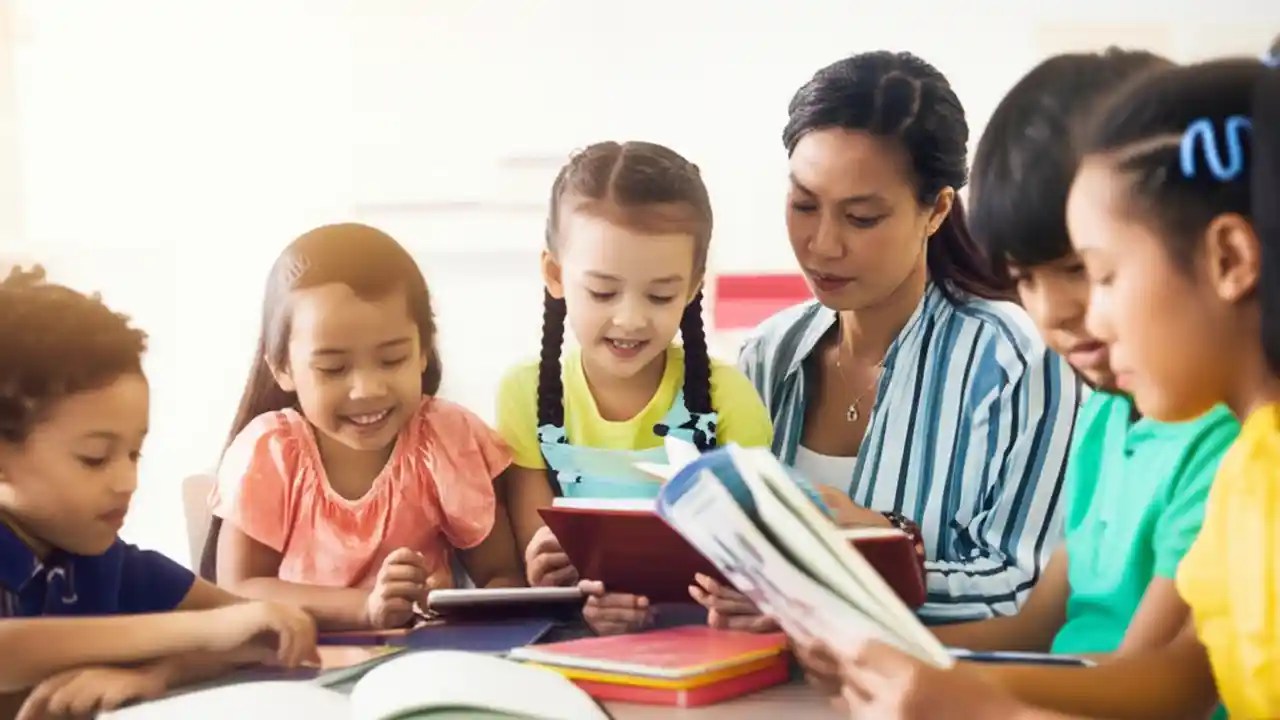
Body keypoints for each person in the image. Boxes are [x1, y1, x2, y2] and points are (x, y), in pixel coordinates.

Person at [831, 56, 1277, 720]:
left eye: (1100, 274)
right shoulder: (1250, 466)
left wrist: (979, 704)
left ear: (1229, 260)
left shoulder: (1233, 460)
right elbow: (1186, 675)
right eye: (1026, 279)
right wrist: (911, 667)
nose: (1079, 316)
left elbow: (1161, 689)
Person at [721, 50, 1082, 624]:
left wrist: (830, 589)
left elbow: (1024, 590)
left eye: (861, 218)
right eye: (803, 205)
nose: (823, 245)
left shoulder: (1017, 362)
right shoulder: (767, 355)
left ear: (937, 210)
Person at [496, 141, 796, 634]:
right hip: (581, 637)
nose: (631, 319)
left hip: (705, 636)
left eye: (660, 295)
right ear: (555, 274)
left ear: (694, 286)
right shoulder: (523, 393)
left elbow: (758, 554)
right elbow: (540, 553)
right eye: (602, 292)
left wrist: (750, 594)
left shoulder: (730, 399)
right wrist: (557, 578)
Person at [0, 267, 317, 718]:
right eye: (94, 457)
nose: (127, 482)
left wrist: (155, 675)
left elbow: (265, 631)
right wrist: (196, 632)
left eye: (134, 454)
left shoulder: (108, 560)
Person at [204, 223, 524, 632]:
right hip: (299, 667)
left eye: (392, 360)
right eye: (333, 368)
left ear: (423, 350)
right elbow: (238, 588)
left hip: (422, 661)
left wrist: (445, 604)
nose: (367, 389)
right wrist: (364, 607)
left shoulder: (446, 438)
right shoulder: (271, 452)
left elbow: (502, 577)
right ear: (282, 367)